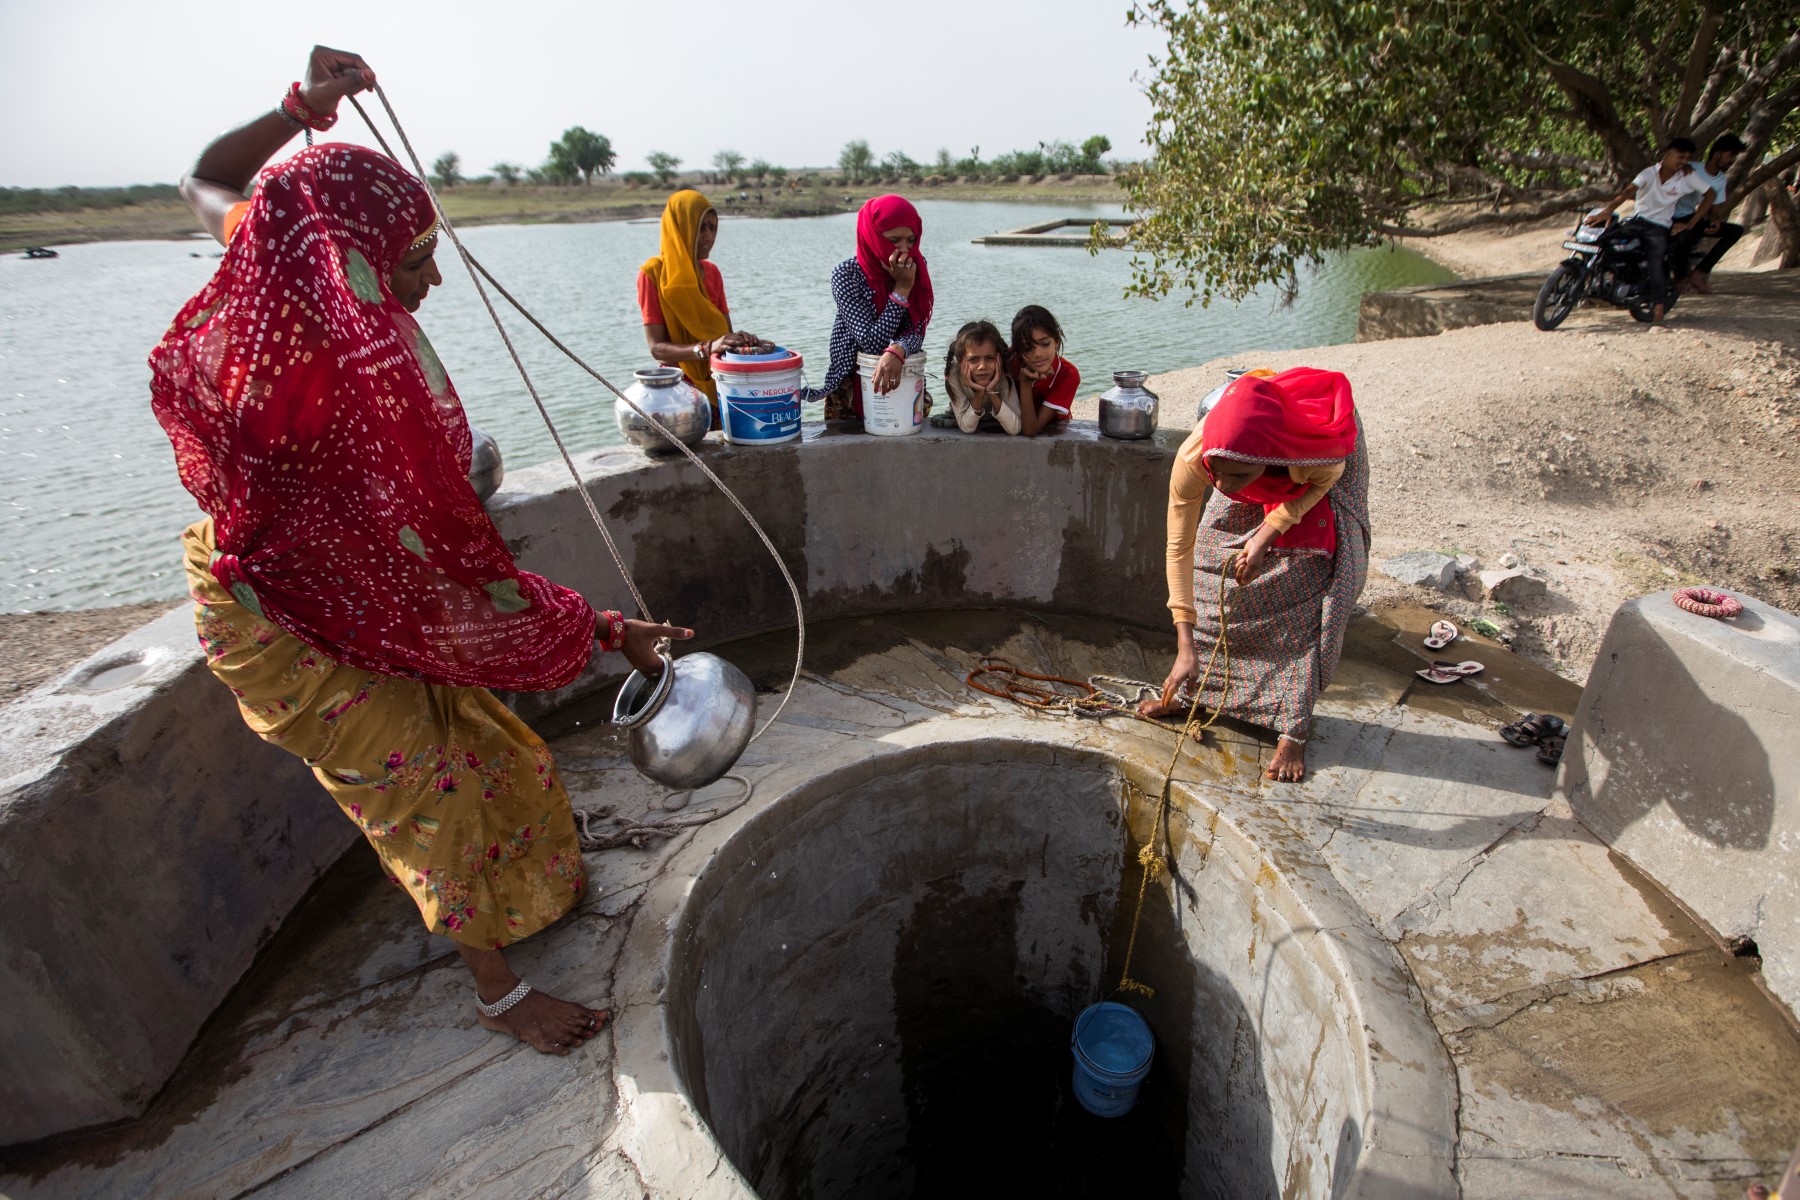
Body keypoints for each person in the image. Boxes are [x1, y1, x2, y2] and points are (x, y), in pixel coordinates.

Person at [157, 46, 690, 1056]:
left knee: (505, 753)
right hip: (284, 619)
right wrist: (607, 629)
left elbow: (206, 180)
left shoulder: (287, 267)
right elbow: (454, 589)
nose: (433, 275)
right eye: (411, 262)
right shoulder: (333, 391)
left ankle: (536, 895)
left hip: (344, 583)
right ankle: (498, 995)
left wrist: (297, 109)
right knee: (430, 786)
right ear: (346, 261)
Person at [1137, 368, 1369, 784]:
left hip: (1312, 452)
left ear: (1270, 461)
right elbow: (1180, 548)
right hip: (1252, 451)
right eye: (1216, 474)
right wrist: (1184, 642)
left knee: (1302, 575)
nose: (1223, 486)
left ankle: (1293, 729)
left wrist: (1269, 531)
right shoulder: (1198, 460)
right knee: (1213, 567)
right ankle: (1195, 687)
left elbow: (1323, 480)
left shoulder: (1316, 457)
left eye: (1236, 478)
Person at [803, 194, 934, 421]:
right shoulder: (847, 274)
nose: (904, 250)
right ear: (872, 235)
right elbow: (870, 342)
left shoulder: (916, 268)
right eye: (895, 240)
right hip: (850, 386)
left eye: (911, 240)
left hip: (900, 377)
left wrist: (898, 350)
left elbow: (916, 330)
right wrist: (902, 289)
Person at [637, 188, 760, 421]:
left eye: (712, 228)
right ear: (680, 227)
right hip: (679, 389)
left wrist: (741, 340)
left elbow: (724, 335)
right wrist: (704, 349)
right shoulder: (653, 274)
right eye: (701, 227)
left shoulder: (712, 273)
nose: (708, 236)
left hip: (718, 380)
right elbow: (657, 348)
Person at [1587, 137, 1714, 323]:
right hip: (1637, 220)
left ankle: (1658, 314)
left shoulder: (1687, 176)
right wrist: (1608, 211)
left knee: (1655, 263)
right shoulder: (1648, 173)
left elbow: (1711, 194)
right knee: (1606, 242)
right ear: (1668, 155)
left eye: (1687, 158)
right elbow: (1628, 191)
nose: (1684, 162)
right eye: (1681, 157)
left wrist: (1691, 223)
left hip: (1659, 226)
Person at [1671, 134, 1748, 294]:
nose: (1732, 161)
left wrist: (1715, 221)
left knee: (1735, 231)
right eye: (1730, 155)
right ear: (1717, 154)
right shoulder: (1691, 168)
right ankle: (1680, 278)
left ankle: (1697, 274)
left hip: (1690, 217)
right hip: (1669, 215)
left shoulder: (1720, 180)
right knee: (1687, 237)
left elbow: (1714, 210)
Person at [942, 319, 1026, 434]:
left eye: (990, 358)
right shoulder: (954, 375)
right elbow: (967, 427)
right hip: (962, 416)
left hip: (994, 418)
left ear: (999, 358)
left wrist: (991, 391)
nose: (982, 366)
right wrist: (979, 394)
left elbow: (1015, 428)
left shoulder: (1003, 372)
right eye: (974, 359)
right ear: (961, 361)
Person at [1009, 305, 1080, 436]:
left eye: (1045, 343)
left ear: (1056, 341)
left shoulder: (1068, 375)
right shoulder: (1009, 360)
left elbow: (1031, 429)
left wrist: (1025, 383)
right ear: (1017, 349)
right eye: (1027, 347)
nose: (1037, 353)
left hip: (1055, 432)